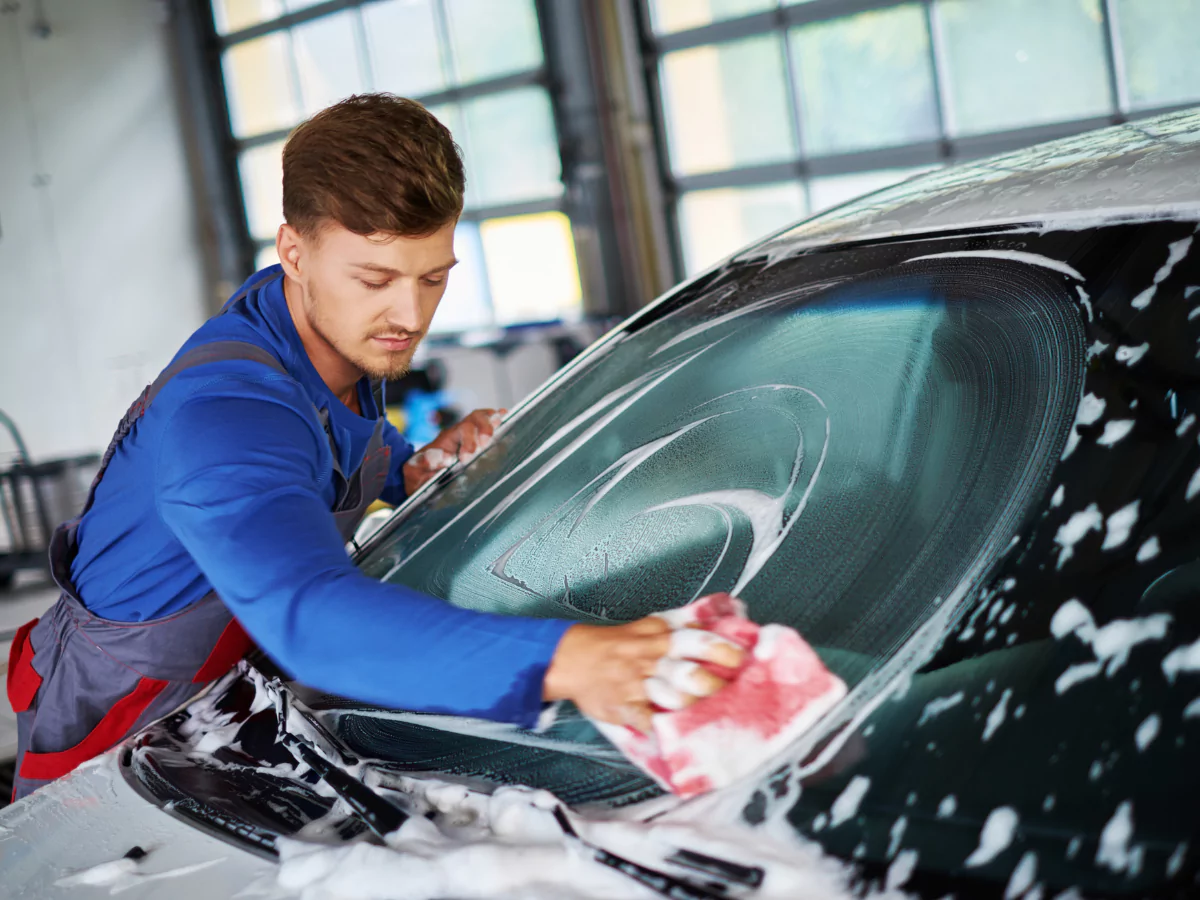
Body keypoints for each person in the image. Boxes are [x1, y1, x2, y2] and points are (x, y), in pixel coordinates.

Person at [7, 94, 739, 802]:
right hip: (116, 742)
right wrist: (568, 659)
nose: (410, 315)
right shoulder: (225, 413)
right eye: (375, 278)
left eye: (434, 278)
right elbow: (310, 617)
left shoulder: (321, 330)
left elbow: (322, 447)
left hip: (232, 712)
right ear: (293, 251)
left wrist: (409, 462)